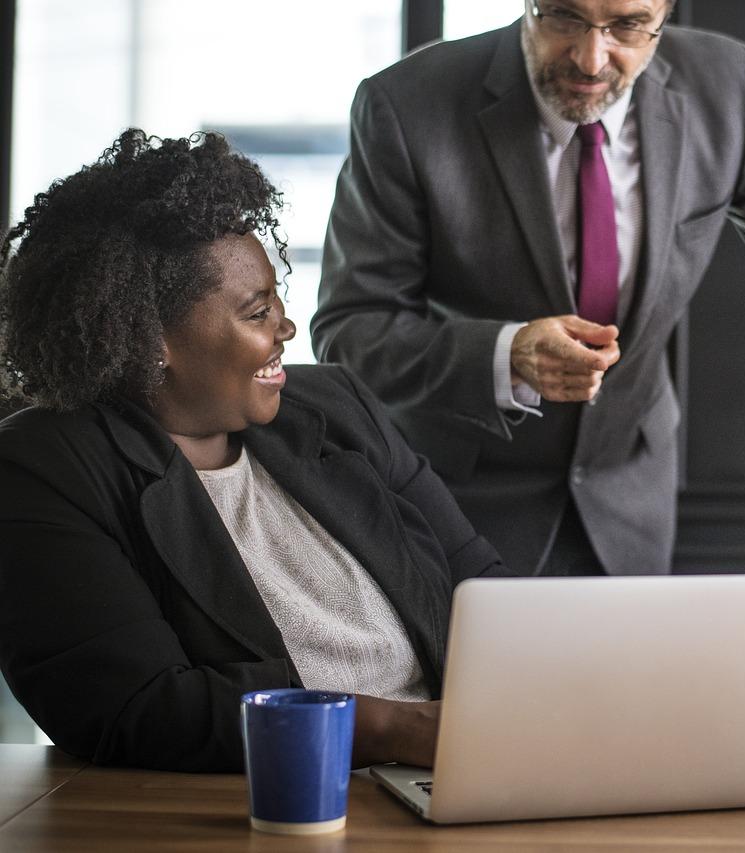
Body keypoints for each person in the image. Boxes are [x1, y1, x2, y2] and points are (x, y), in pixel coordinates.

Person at [312, 0, 745, 577]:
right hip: (456, 503)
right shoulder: (407, 104)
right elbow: (352, 330)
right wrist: (506, 354)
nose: (592, 59)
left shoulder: (724, 85)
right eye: (564, 16)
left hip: (631, 496)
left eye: (628, 26)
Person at [0, 130, 510, 772]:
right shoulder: (46, 468)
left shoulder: (337, 407)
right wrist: (391, 729)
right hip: (261, 802)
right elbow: (137, 706)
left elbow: (482, 591)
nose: (286, 329)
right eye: (256, 311)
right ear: (151, 339)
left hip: (456, 773)